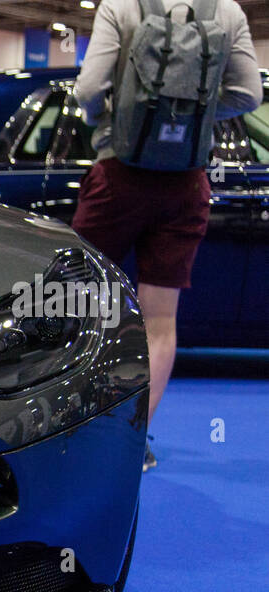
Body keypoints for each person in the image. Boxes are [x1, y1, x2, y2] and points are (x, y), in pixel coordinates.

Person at [73, 0, 261, 469]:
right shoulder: (228, 11)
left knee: (83, 301)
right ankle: (134, 441)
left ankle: (76, 431)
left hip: (117, 174)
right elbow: (249, 94)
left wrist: (124, 116)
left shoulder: (119, 6)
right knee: (160, 319)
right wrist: (187, 116)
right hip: (185, 179)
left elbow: (89, 88)